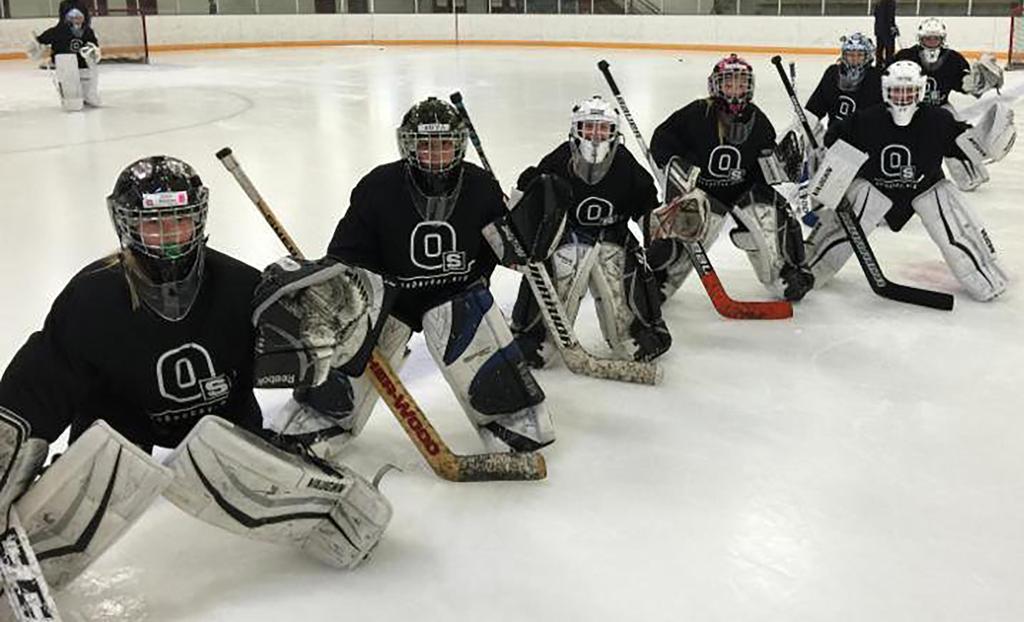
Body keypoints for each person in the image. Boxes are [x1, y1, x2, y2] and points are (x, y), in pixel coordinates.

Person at [0, 156, 391, 596]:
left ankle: (331, 511)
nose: (169, 239)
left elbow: (304, 361)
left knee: (223, 446)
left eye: (180, 222)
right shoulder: (90, 299)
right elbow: (35, 391)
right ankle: (23, 566)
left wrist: (328, 334)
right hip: (123, 421)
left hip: (224, 421)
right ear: (126, 224)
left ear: (199, 218)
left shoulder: (242, 287)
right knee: (102, 464)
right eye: (154, 224)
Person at [287, 97, 562, 458]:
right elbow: (346, 254)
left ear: (459, 145)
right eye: (426, 145)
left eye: (445, 145)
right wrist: (337, 290)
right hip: (390, 301)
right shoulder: (378, 186)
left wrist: (526, 232)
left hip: (457, 297)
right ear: (408, 145)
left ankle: (513, 417)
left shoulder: (480, 186)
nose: (436, 154)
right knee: (353, 316)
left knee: (468, 313)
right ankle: (322, 414)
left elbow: (504, 250)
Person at [803, 61, 1007, 302]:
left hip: (926, 187)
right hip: (875, 188)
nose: (902, 97)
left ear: (920, 91)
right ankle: (806, 273)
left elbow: (967, 146)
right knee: (839, 232)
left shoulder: (938, 120)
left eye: (908, 91)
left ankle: (984, 276)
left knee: (956, 231)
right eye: (897, 91)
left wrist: (986, 140)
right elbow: (834, 142)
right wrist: (822, 166)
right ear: (886, 90)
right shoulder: (866, 120)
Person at [508, 95, 669, 368]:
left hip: (614, 237)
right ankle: (535, 339)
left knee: (621, 264)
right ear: (576, 129)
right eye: (588, 126)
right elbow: (534, 196)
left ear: (614, 131)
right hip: (563, 239)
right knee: (558, 265)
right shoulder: (560, 158)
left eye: (603, 127)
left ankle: (636, 334)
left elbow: (645, 205)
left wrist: (657, 221)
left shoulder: (625, 163)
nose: (595, 134)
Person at [647, 54, 814, 303]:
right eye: (729, 83)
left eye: (741, 84)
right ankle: (661, 281)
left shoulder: (758, 122)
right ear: (716, 85)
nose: (735, 90)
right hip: (704, 194)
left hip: (741, 193)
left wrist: (779, 167)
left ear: (750, 86)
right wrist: (678, 172)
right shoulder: (697, 113)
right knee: (689, 219)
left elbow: (764, 167)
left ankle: (783, 274)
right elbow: (661, 141)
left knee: (772, 212)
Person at [890, 18, 1014, 192]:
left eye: (935, 39)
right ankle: (898, 174)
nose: (932, 42)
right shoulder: (906, 56)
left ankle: (971, 175)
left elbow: (964, 85)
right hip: (908, 108)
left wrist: (976, 82)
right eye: (928, 38)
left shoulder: (953, 58)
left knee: (957, 136)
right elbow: (887, 78)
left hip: (941, 106)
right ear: (920, 38)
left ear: (942, 39)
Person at [28, 8, 101, 110]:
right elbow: (39, 42)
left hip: (83, 64)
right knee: (71, 91)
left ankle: (86, 100)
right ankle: (73, 103)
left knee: (87, 85)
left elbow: (94, 45)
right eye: (75, 18)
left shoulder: (87, 31)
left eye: (80, 18)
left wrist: (92, 51)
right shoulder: (58, 31)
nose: (78, 21)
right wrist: (38, 48)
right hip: (66, 63)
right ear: (68, 19)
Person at [806, 33, 883, 128]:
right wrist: (805, 123)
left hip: (865, 139)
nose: (855, 59)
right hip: (835, 137)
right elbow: (815, 107)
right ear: (844, 55)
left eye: (860, 55)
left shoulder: (876, 78)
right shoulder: (832, 74)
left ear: (868, 57)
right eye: (850, 55)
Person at [873, 0, 897, 66]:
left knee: (879, 50)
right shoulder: (890, 2)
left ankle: (879, 64)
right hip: (887, 31)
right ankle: (888, 65)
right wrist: (892, 27)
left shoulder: (879, 3)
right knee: (889, 51)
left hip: (879, 30)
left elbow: (876, 15)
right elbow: (890, 16)